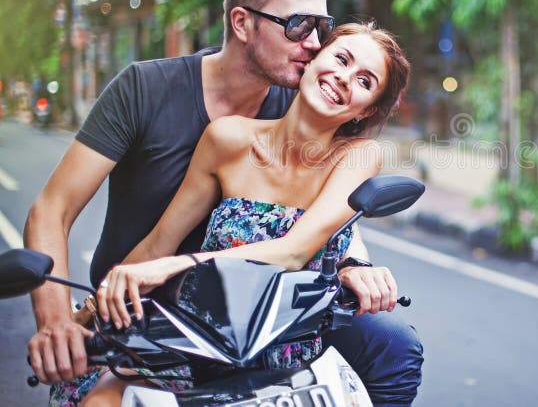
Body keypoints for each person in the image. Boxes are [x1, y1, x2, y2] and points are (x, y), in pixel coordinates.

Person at [24, 0, 422, 407]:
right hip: (177, 314)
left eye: (322, 30)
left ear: (369, 108)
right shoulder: (182, 110)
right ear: (242, 23)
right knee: (99, 396)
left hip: (278, 331)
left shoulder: (337, 136)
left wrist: (353, 265)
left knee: (395, 345)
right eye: (300, 26)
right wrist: (75, 318)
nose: (314, 44)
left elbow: (314, 234)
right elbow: (87, 220)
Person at [79, 21, 411, 405]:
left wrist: (176, 265)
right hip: (197, 338)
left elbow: (294, 251)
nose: (344, 78)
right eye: (341, 58)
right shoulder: (227, 138)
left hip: (285, 362)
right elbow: (158, 246)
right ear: (314, 57)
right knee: (100, 399)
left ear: (365, 110)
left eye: (365, 81)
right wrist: (87, 313)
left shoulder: (357, 156)